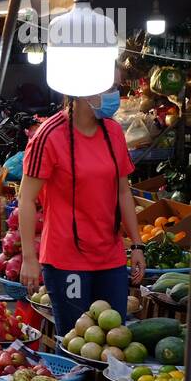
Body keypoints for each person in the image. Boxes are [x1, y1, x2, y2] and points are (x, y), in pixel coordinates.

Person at [17, 89, 145, 338]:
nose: (115, 95)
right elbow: (26, 198)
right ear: (85, 90)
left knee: (114, 341)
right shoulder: (49, 135)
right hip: (66, 259)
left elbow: (123, 192)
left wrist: (138, 244)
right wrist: (29, 257)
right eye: (109, 88)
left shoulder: (114, 132)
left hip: (110, 256)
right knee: (74, 342)